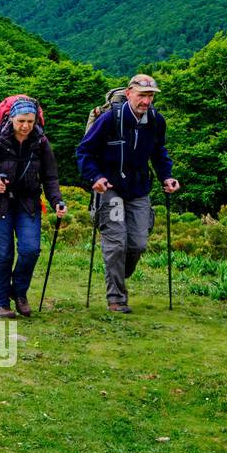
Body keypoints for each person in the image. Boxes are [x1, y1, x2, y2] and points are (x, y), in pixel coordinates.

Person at [75, 73, 180, 313]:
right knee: (116, 244)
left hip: (139, 188)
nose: (146, 101)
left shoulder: (155, 120)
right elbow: (85, 151)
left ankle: (117, 275)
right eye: (142, 95)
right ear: (129, 93)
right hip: (110, 188)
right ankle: (116, 298)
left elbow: (159, 152)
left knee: (138, 244)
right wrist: (96, 177)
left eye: (150, 96)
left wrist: (167, 176)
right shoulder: (110, 119)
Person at [0, 97, 68, 318]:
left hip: (28, 203)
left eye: (30, 121)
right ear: (11, 118)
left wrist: (57, 201)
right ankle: (1, 303)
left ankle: (18, 292)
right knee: (3, 253)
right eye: (21, 121)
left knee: (30, 249)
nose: (26, 126)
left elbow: (50, 177)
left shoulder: (41, 141)